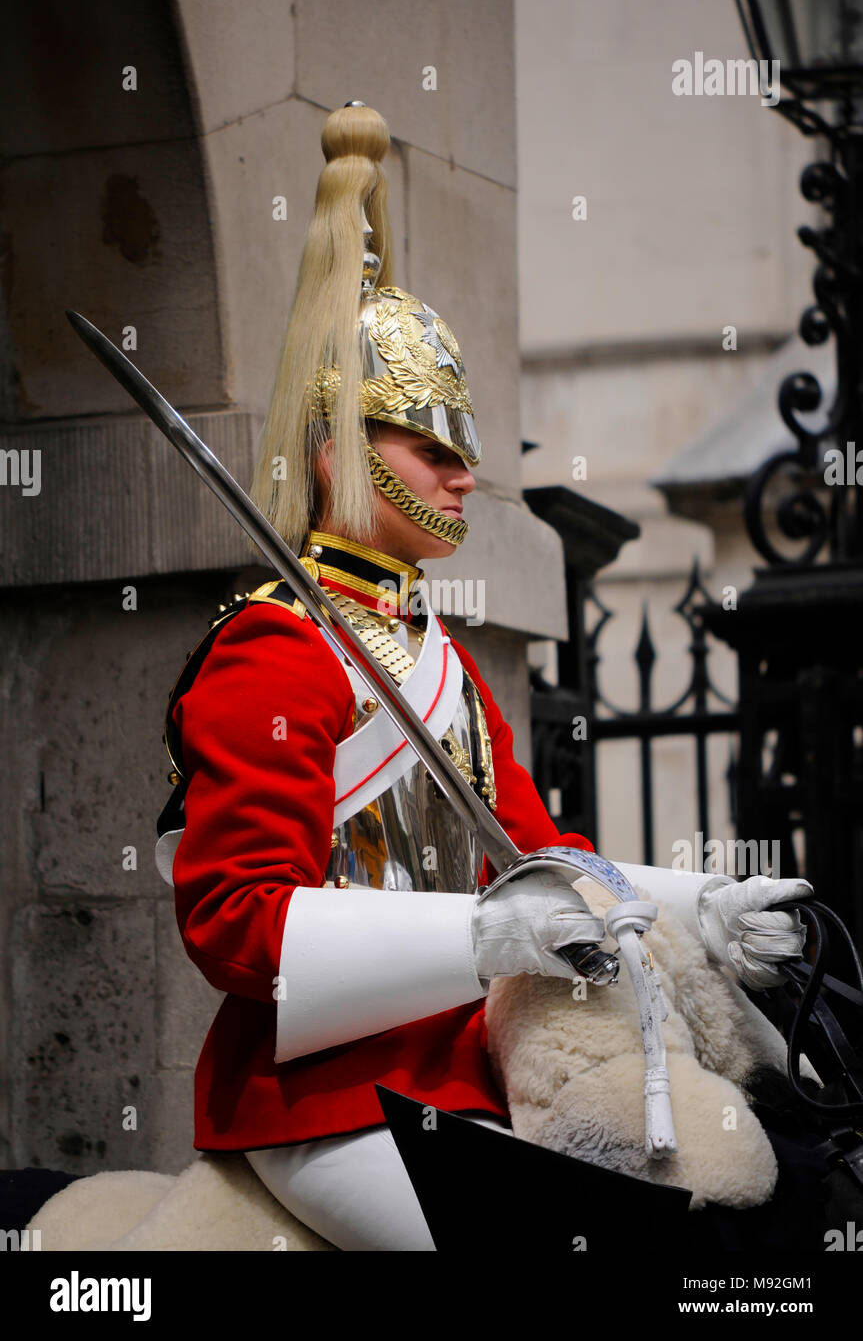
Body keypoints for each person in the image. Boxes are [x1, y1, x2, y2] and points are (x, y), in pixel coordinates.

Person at [154, 103, 812, 1251]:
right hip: (321, 1097)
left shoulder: (436, 657)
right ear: (339, 449)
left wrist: (690, 908)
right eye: (433, 451)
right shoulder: (274, 645)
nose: (462, 481)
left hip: (465, 1066)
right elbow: (234, 922)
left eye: (467, 454)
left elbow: (538, 860)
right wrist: (479, 939)